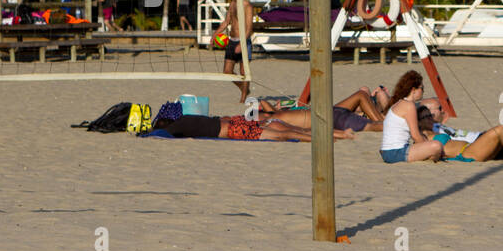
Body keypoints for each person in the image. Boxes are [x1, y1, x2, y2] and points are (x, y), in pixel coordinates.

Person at [418, 99, 503, 163]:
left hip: (472, 147)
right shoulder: (421, 137)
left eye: (430, 115)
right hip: (465, 154)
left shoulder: (437, 128)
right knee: (501, 130)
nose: (430, 119)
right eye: (426, 117)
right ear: (418, 122)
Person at [258, 85, 389, 132]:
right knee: (361, 94)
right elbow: (263, 103)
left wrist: (278, 106)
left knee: (362, 94)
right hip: (327, 117)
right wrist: (266, 106)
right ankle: (383, 122)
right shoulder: (274, 118)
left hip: (328, 113)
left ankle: (382, 117)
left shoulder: (279, 117)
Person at [152, 113, 355, 142]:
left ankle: (329, 138)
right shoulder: (186, 117)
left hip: (234, 131)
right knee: (290, 129)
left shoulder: (176, 129)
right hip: (234, 121)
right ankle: (341, 133)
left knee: (285, 134)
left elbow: (159, 135)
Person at [379, 71, 443, 163]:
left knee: (427, 140)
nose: (423, 91)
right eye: (422, 88)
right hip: (396, 152)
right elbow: (415, 135)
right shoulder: (409, 106)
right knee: (436, 146)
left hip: (389, 151)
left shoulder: (399, 103)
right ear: (413, 90)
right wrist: (427, 147)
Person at [213, 0, 254, 103]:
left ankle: (243, 99)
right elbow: (226, 22)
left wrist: (242, 44)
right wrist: (214, 35)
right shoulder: (232, 5)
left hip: (243, 41)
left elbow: (249, 28)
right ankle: (244, 89)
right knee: (227, 72)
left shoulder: (247, 6)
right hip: (231, 41)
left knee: (243, 72)